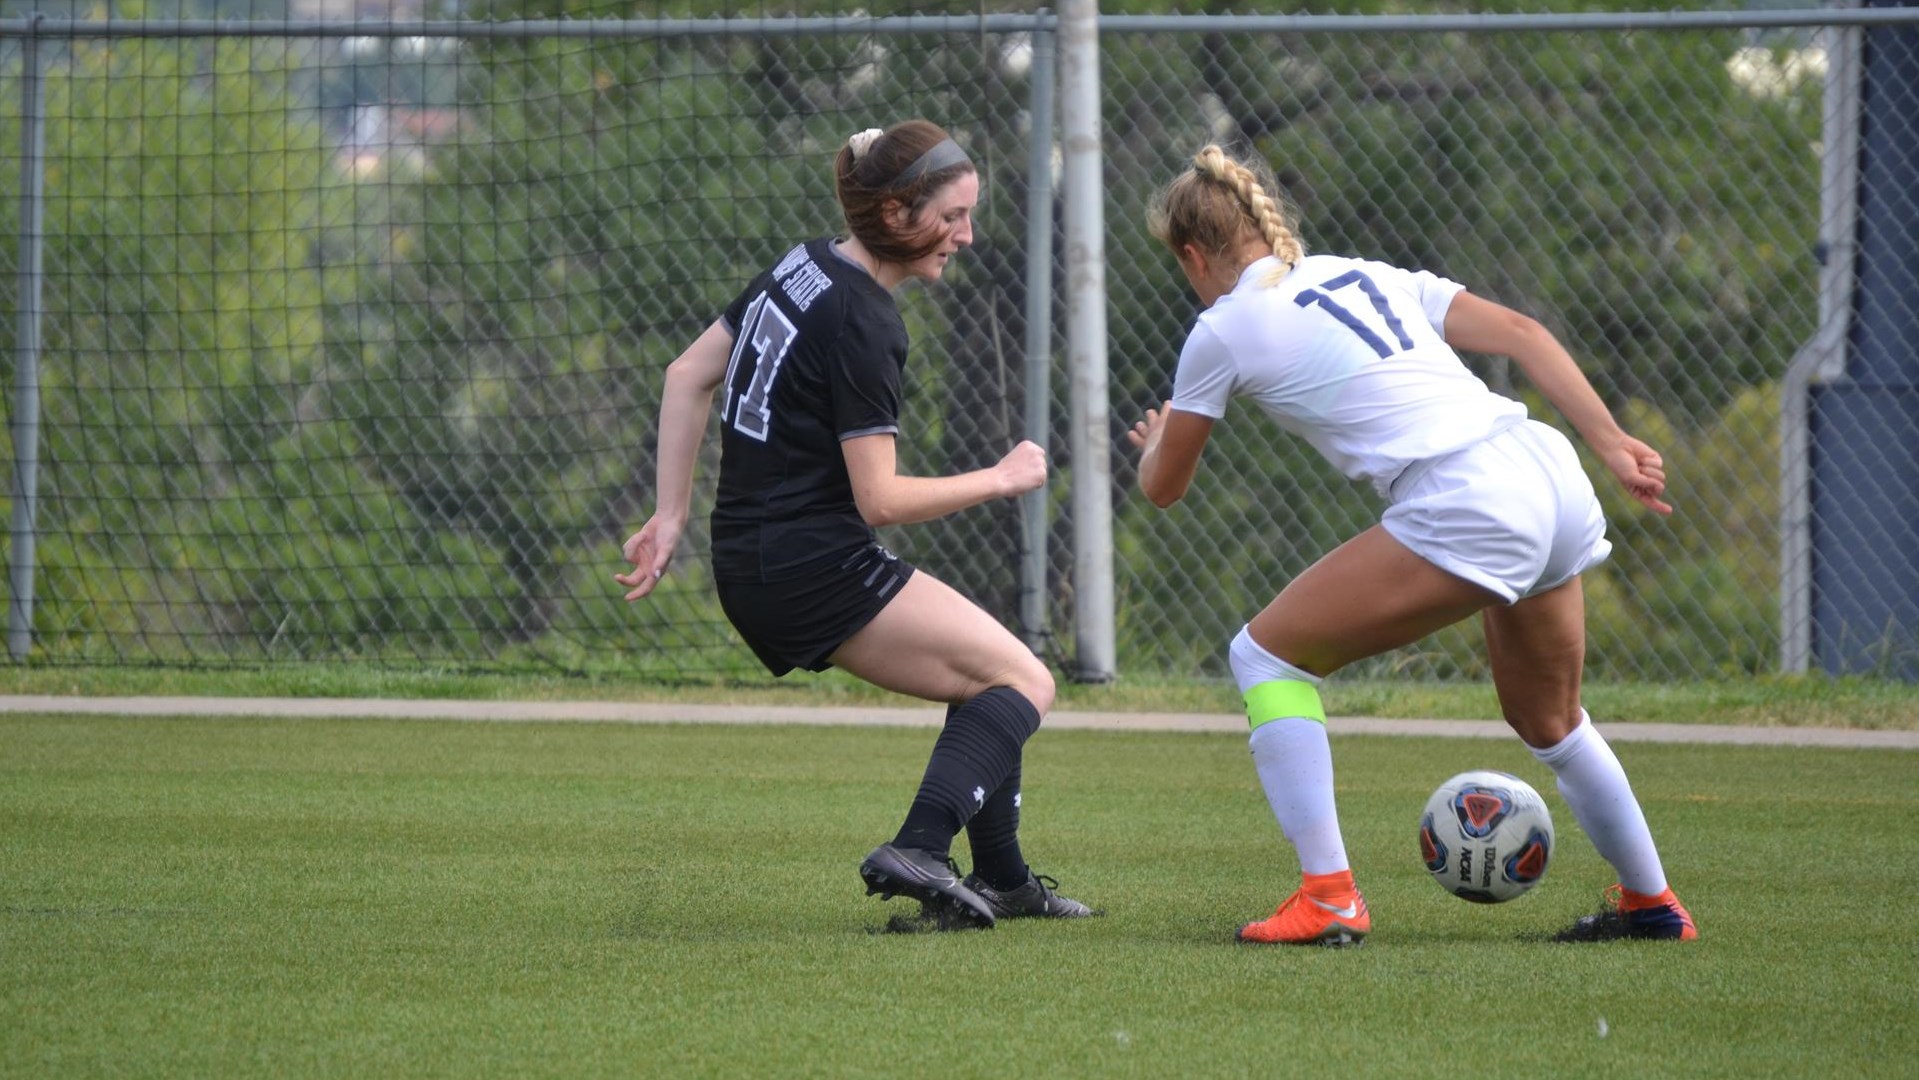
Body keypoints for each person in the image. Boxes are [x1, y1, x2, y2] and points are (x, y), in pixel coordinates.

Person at [1127, 144, 1697, 947]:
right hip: (1547, 471)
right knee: (1550, 720)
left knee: (1265, 659)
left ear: (1191, 254)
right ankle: (1651, 906)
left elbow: (1163, 487)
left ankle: (1327, 896)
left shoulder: (1218, 330)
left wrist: (1153, 444)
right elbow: (1523, 334)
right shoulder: (1364, 273)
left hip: (1468, 497)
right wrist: (1608, 440)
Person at [616, 119, 1094, 930]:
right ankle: (918, 846)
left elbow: (686, 373)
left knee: (990, 671)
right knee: (1025, 682)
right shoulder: (865, 321)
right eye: (952, 216)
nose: (967, 236)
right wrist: (1001, 478)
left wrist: (670, 515)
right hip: (807, 566)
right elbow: (879, 500)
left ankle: (1006, 880)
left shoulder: (803, 265)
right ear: (899, 213)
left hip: (759, 555)